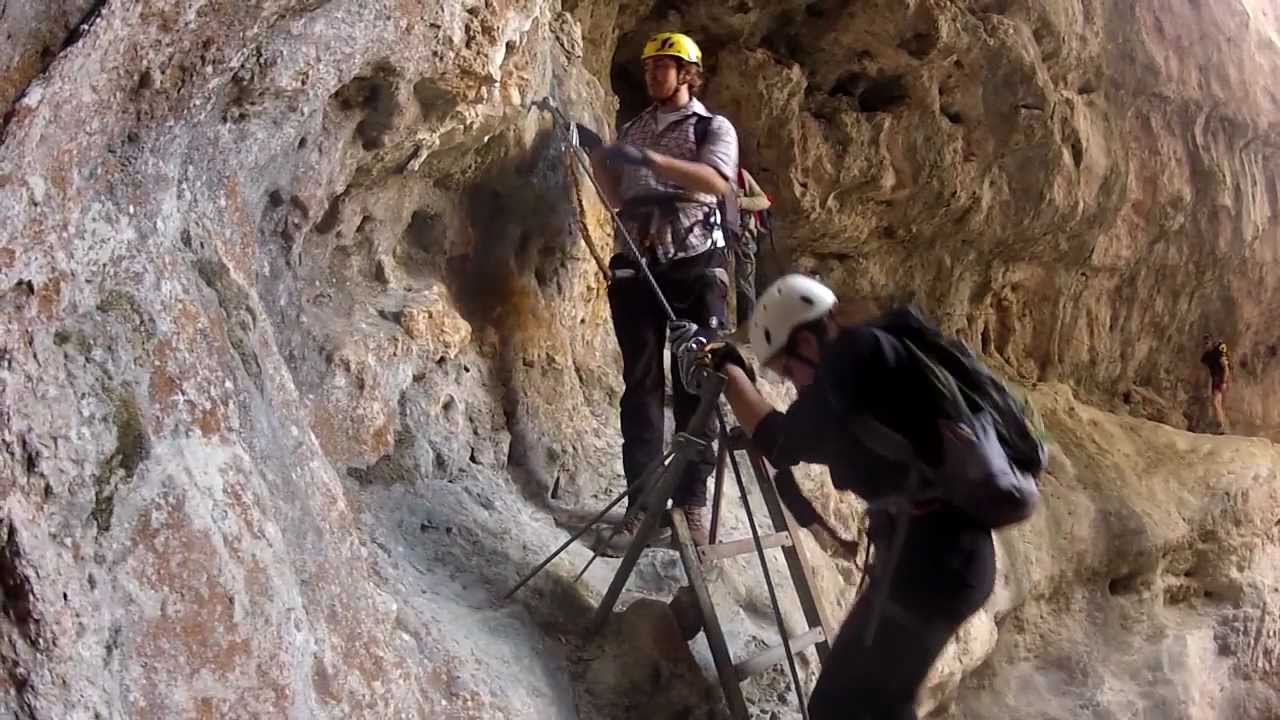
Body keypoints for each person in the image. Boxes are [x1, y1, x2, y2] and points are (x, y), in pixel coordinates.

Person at [693, 274, 998, 720]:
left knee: (849, 706)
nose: (792, 383)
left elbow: (781, 441)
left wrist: (731, 371)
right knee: (869, 703)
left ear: (807, 342)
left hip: (934, 566)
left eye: (787, 369)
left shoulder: (849, 366)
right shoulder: (870, 355)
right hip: (941, 559)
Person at [588, 31, 740, 554]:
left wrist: (648, 161)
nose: (653, 74)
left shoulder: (711, 127)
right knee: (642, 388)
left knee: (697, 387)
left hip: (695, 266)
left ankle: (691, 507)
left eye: (664, 67)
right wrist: (603, 163)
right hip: (639, 263)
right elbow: (617, 198)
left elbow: (716, 181)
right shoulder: (634, 127)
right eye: (650, 67)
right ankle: (642, 507)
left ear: (687, 74)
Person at [732, 168, 772, 326]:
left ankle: (748, 326)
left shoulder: (740, 175)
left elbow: (764, 201)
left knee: (744, 283)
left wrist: (740, 202)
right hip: (715, 240)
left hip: (742, 239)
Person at [1199, 334, 1231, 434]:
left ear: (1212, 343)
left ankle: (1221, 427)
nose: (1205, 345)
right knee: (1218, 404)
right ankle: (1222, 426)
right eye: (1204, 344)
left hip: (1221, 378)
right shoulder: (1207, 356)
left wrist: (1224, 382)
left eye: (1207, 343)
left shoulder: (1217, 353)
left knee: (1216, 402)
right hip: (1215, 379)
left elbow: (1225, 367)